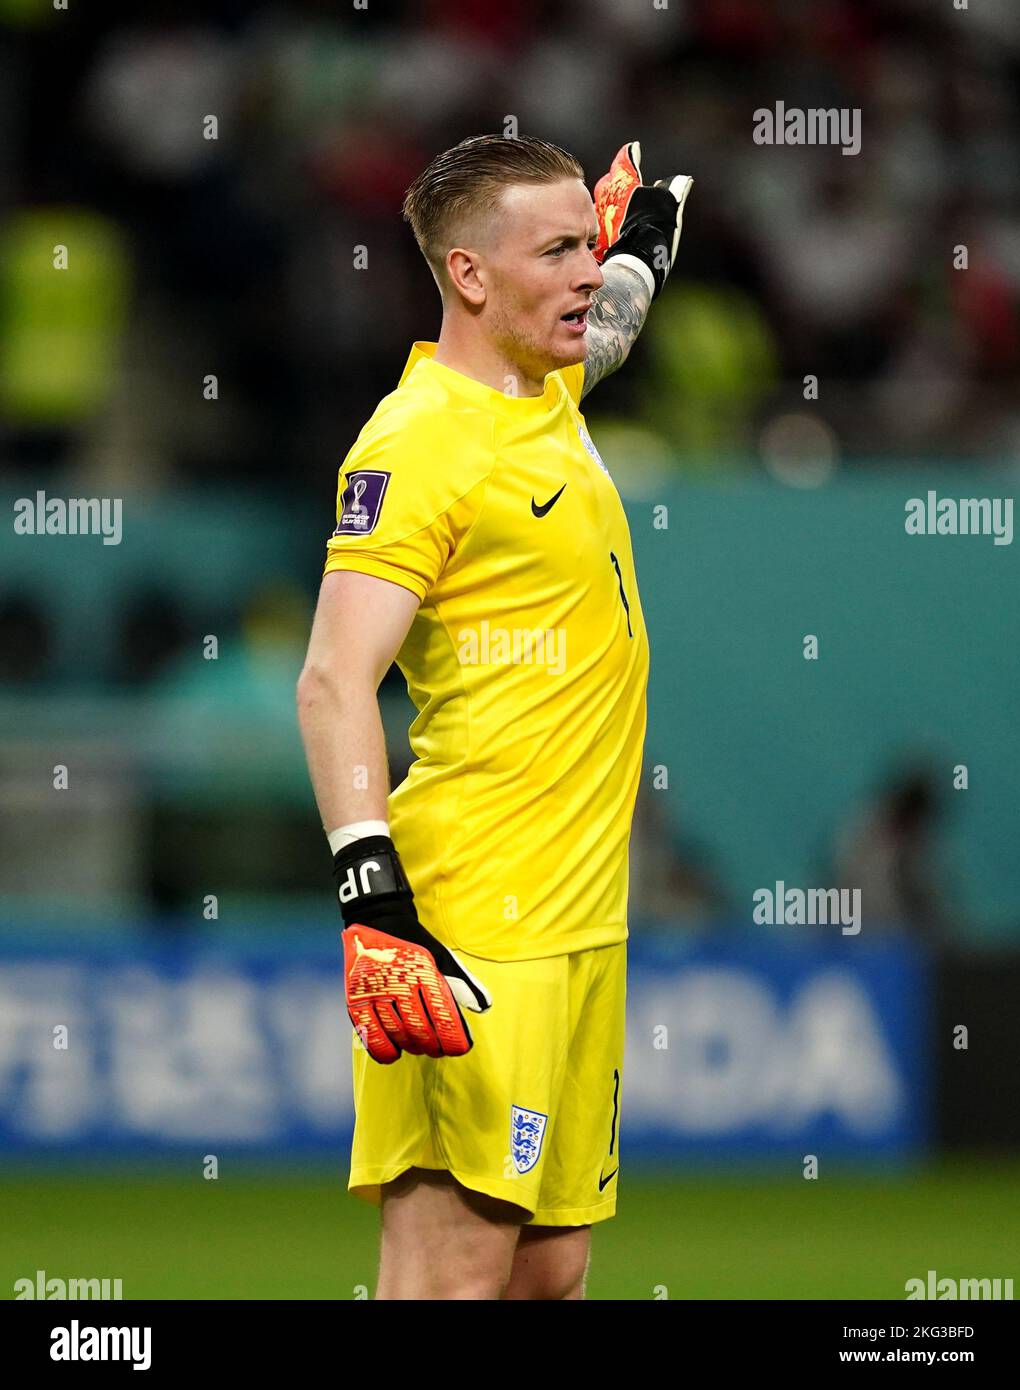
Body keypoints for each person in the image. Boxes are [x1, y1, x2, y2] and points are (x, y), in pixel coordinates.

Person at [297, 134, 691, 1299]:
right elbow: (331, 678)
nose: (588, 269)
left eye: (592, 241)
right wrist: (376, 899)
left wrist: (642, 262)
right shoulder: (418, 445)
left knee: (548, 1270)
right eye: (560, 248)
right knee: (449, 1277)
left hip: (578, 919)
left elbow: (604, 327)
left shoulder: (540, 389)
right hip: (473, 924)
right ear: (468, 275)